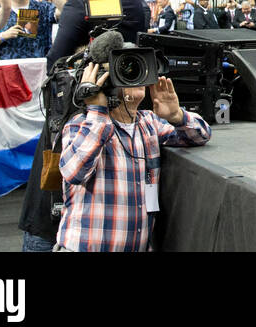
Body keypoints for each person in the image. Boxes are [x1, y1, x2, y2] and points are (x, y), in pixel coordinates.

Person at [19, 0, 151, 252]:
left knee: (52, 191)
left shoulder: (81, 3)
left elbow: (56, 62)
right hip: (129, 108)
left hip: (81, 108)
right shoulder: (136, 3)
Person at [56, 69, 210, 251]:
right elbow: (74, 173)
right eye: (126, 71)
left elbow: (201, 135)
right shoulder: (81, 124)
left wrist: (176, 116)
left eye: (138, 70)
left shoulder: (148, 122)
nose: (137, 78)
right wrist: (96, 110)